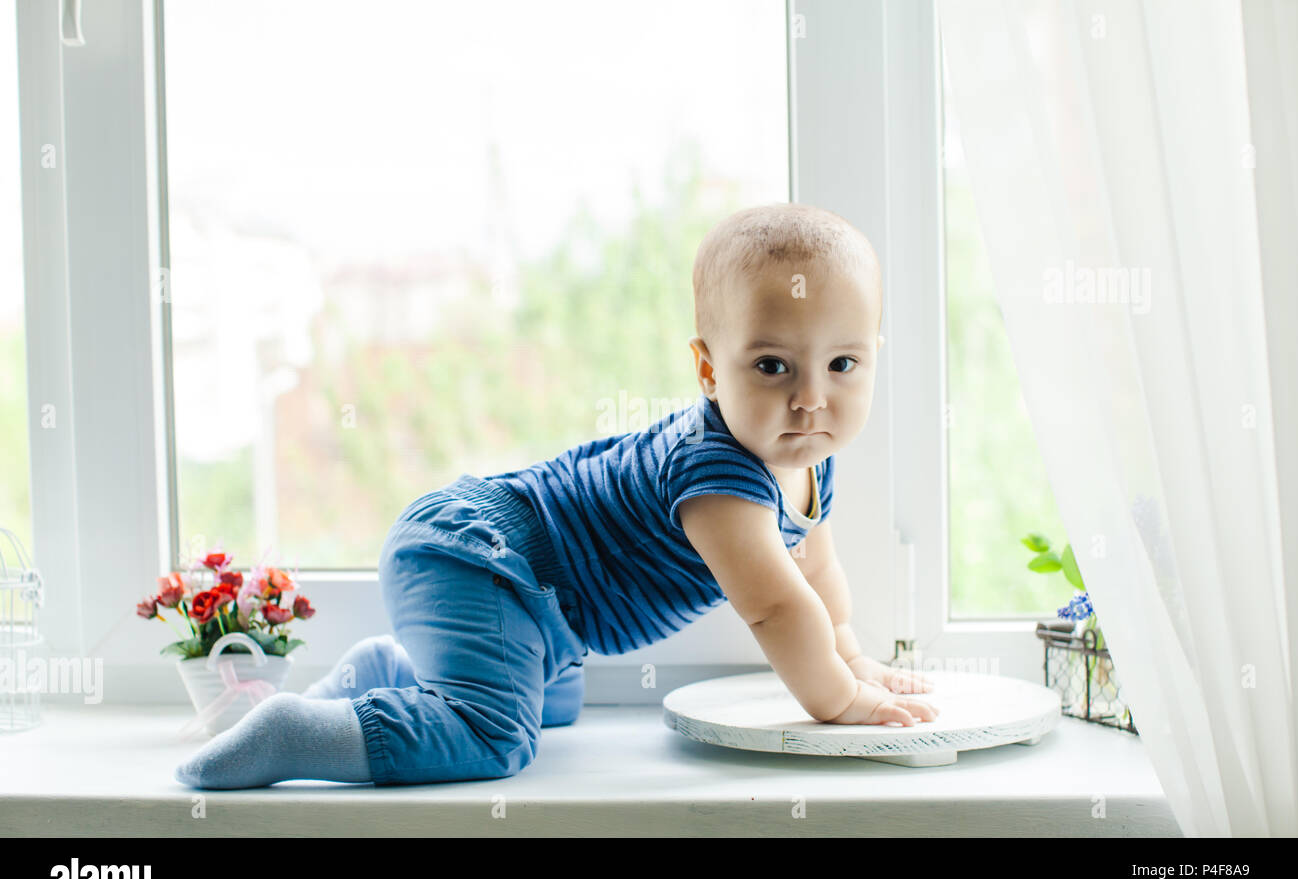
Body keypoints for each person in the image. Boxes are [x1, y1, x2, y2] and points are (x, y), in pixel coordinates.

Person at [174, 202, 938, 789]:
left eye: (842, 364)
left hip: (529, 599)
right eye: (773, 367)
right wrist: (838, 703)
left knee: (553, 702)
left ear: (874, 355)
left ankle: (389, 668)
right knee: (494, 737)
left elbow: (817, 577)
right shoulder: (721, 477)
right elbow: (777, 608)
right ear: (709, 371)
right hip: (484, 558)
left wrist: (853, 657)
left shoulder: (806, 457)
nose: (812, 398)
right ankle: (294, 734)